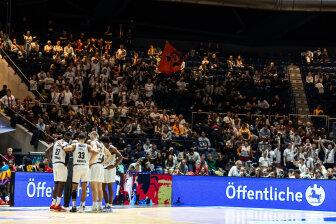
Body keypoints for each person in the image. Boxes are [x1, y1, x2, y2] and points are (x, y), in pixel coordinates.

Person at [63, 133, 98, 213]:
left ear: (78, 138)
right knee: (84, 188)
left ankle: (74, 206)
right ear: (85, 138)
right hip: (85, 167)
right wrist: (90, 160)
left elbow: (66, 149)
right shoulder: (88, 146)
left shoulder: (75, 145)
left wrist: (62, 145)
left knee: (74, 188)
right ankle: (82, 206)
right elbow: (95, 152)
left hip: (77, 167)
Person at [45, 132, 72, 212]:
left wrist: (51, 161)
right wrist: (66, 164)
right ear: (68, 137)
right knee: (61, 184)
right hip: (61, 164)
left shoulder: (56, 143)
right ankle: (58, 204)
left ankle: (53, 204)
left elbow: (46, 151)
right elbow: (67, 154)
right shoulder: (66, 144)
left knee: (56, 184)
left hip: (55, 164)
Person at [88, 132, 111, 212]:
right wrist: (103, 163)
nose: (89, 137)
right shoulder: (102, 144)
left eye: (90, 135)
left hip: (94, 165)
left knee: (93, 187)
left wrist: (90, 161)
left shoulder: (93, 142)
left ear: (93, 135)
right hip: (100, 166)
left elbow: (95, 151)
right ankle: (100, 206)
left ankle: (94, 206)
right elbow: (109, 154)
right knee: (99, 188)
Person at [102, 137, 122, 212]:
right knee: (103, 188)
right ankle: (106, 204)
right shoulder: (103, 148)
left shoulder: (112, 148)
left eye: (102, 142)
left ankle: (110, 204)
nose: (102, 144)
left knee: (110, 187)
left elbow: (120, 156)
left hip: (111, 169)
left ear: (106, 143)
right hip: (104, 168)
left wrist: (114, 165)